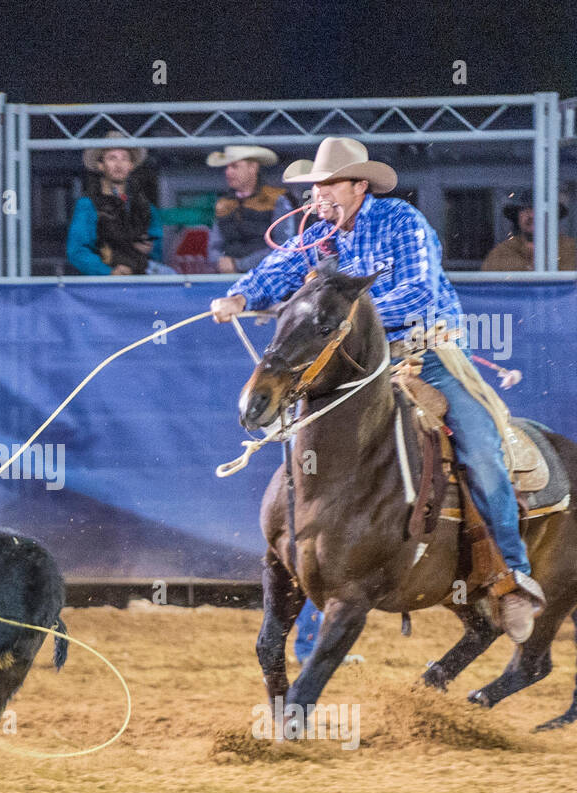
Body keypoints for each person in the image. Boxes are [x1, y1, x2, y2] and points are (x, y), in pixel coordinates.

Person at [211, 136, 546, 647]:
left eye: (328, 184)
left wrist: (347, 322)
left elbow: (418, 291)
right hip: (358, 362)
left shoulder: (402, 222)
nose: (318, 194)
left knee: (481, 451)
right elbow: (279, 269)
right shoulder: (319, 233)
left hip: (425, 354)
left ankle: (512, 578)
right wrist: (240, 295)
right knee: (310, 446)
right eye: (314, 186)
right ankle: (313, 571)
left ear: (358, 186)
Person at [67, 131, 173, 276]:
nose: (119, 164)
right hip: (105, 287)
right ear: (100, 165)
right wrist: (108, 272)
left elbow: (158, 250)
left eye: (124, 158)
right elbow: (77, 251)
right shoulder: (87, 205)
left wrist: (149, 250)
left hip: (143, 283)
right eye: (112, 158)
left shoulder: (146, 207)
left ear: (131, 165)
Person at [206, 145, 296, 273]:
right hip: (226, 277)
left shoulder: (277, 199)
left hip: (266, 275)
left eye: (235, 166)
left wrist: (239, 265)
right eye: (227, 167)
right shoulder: (224, 203)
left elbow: (283, 245)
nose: (228, 172)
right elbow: (214, 245)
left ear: (253, 167)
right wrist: (220, 261)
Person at [480, 188, 577, 271]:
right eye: (524, 210)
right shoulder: (502, 252)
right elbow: (489, 287)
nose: (531, 215)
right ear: (517, 217)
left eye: (538, 210)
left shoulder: (569, 248)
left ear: (551, 216)